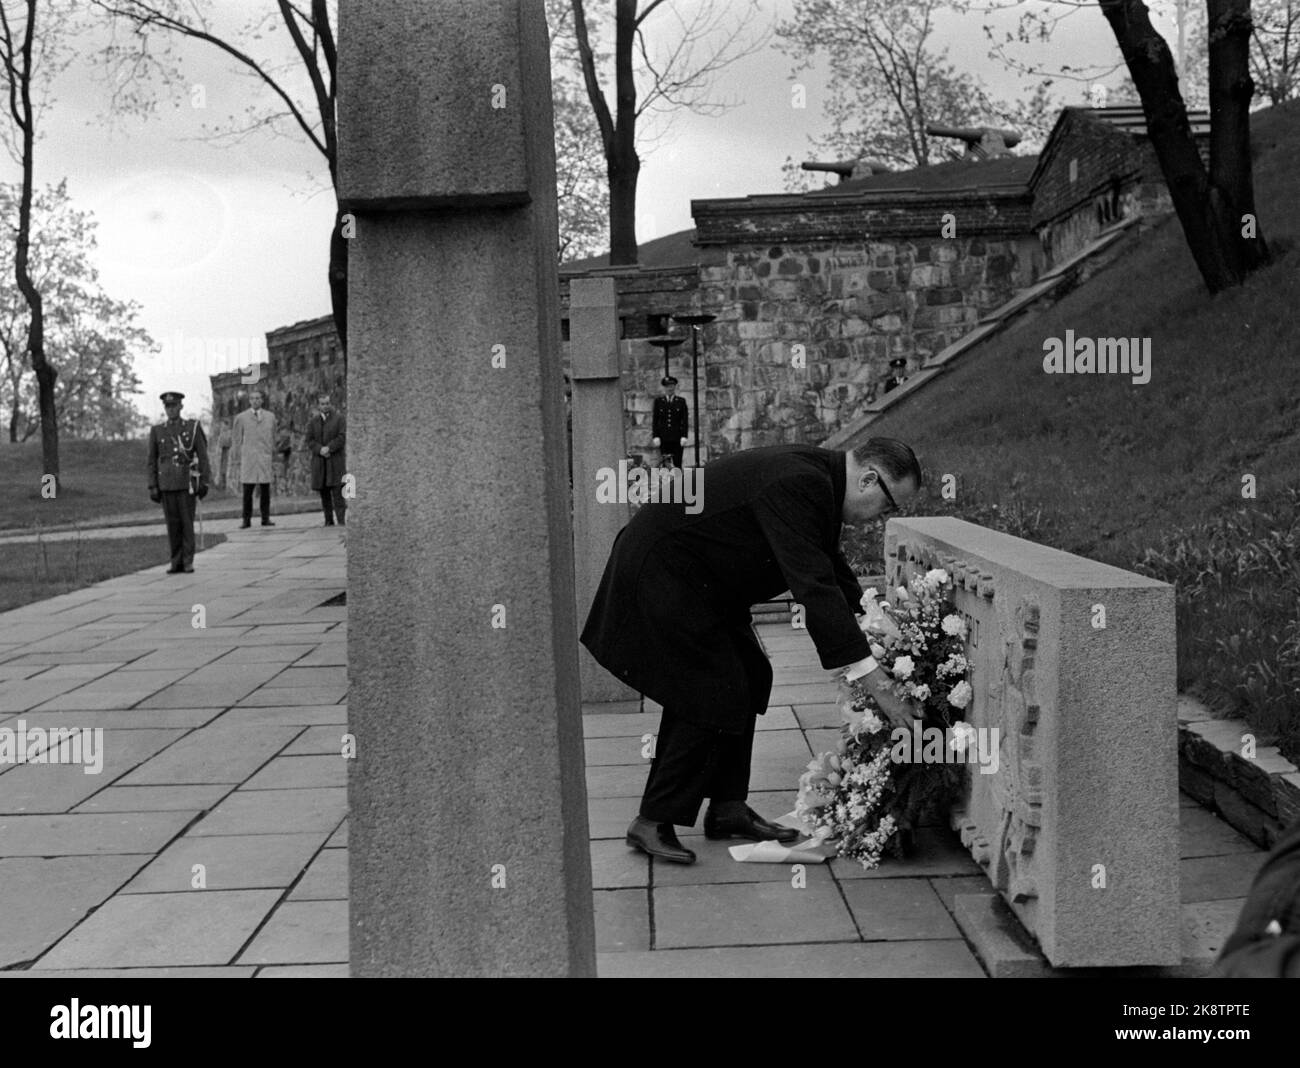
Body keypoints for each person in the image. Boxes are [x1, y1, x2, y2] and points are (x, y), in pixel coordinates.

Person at [582, 437, 923, 864]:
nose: (882, 517)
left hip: (696, 581)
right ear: (869, 479)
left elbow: (827, 564)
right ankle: (653, 820)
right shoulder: (803, 481)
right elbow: (812, 583)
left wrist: (875, 622)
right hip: (662, 573)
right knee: (709, 686)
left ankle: (727, 807)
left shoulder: (819, 479)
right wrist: (872, 678)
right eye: (888, 505)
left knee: (749, 671)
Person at [146, 391, 210, 574]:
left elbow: (203, 456)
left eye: (174, 406)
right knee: (172, 525)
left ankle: (188, 561)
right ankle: (176, 561)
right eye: (168, 407)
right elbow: (151, 460)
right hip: (166, 483)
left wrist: (204, 481)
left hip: (185, 482)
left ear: (181, 406)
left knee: (186, 524)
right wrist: (152, 485)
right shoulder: (157, 430)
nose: (171, 410)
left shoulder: (191, 427)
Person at [231, 388, 276, 528]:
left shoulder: (270, 417)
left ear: (262, 400)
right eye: (252, 398)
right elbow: (237, 439)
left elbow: (273, 435)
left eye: (258, 398)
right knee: (247, 491)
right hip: (249, 458)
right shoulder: (241, 418)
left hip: (264, 457)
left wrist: (270, 451)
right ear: (249, 401)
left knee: (265, 490)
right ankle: (246, 520)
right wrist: (237, 457)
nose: (255, 401)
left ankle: (265, 518)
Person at [307, 391, 347, 526]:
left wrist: (329, 448)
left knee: (338, 493)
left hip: (335, 462)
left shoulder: (339, 419)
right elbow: (310, 440)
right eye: (323, 404)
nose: (325, 406)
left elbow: (341, 437)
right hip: (320, 463)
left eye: (327, 403)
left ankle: (341, 520)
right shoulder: (313, 422)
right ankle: (328, 520)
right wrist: (320, 449)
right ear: (318, 406)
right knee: (324, 493)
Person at [651, 375, 689, 469]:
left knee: (677, 463)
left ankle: (678, 479)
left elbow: (684, 420)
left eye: (672, 386)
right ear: (664, 388)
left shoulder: (681, 401)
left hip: (677, 438)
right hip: (663, 438)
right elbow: (655, 420)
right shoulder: (659, 401)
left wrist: (684, 436)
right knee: (665, 464)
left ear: (675, 387)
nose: (670, 388)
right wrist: (655, 436)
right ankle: (666, 479)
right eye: (667, 386)